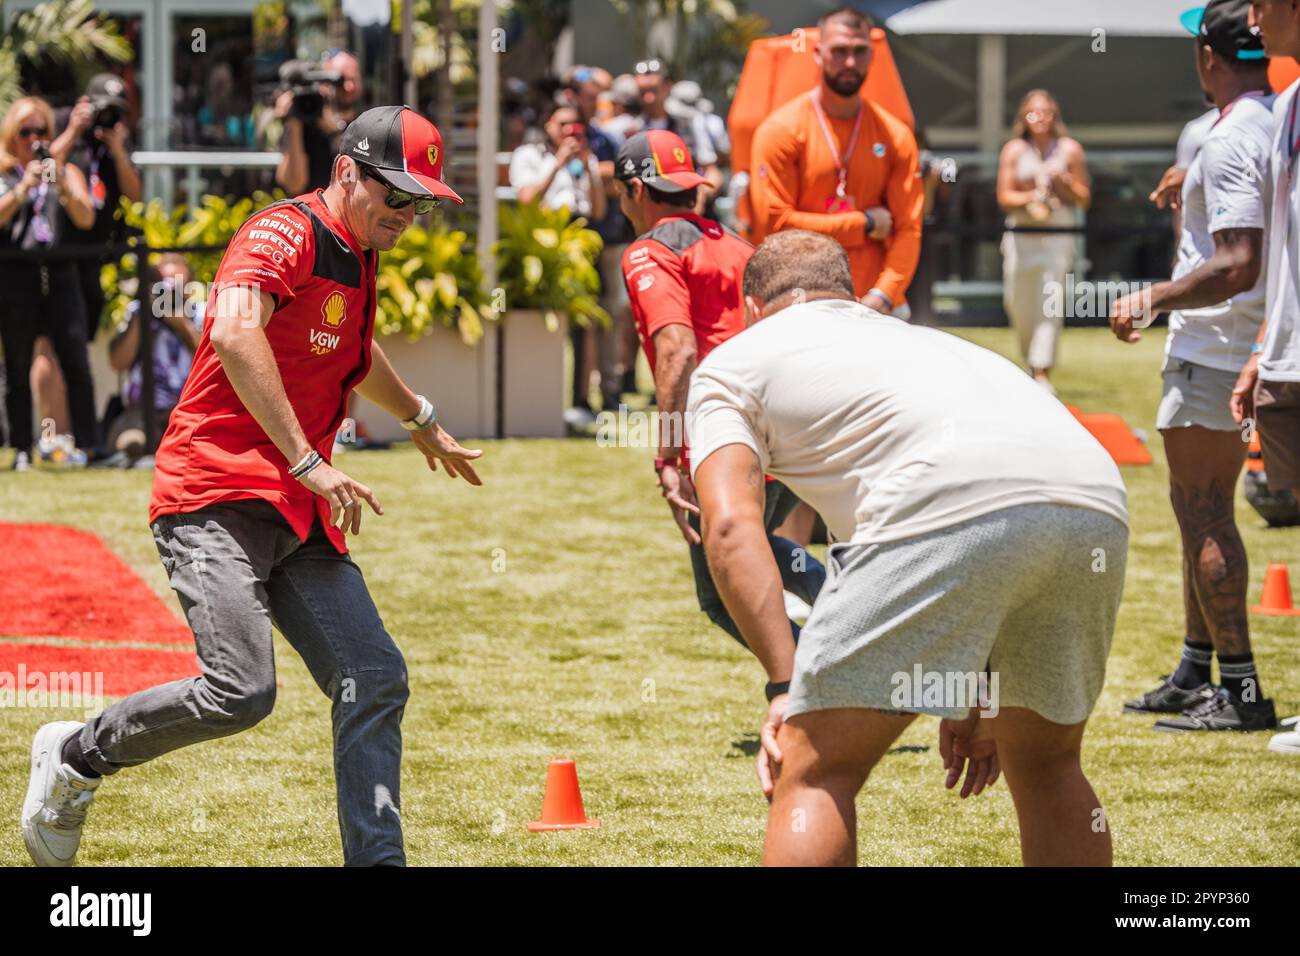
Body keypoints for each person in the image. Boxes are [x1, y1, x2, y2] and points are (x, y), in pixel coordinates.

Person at [21, 106, 484, 867]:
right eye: (397, 195)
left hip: (296, 511)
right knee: (241, 689)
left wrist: (422, 417)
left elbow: (352, 352)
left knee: (374, 677)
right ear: (346, 173)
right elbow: (236, 331)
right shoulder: (282, 231)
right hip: (212, 496)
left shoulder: (360, 249)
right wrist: (308, 459)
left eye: (422, 200)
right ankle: (77, 754)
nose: (410, 214)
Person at [688, 229, 1129, 866]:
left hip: (948, 497)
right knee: (1049, 764)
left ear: (750, 308)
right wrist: (976, 687)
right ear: (850, 296)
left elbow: (728, 528)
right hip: (1093, 494)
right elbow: (1003, 507)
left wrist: (786, 685)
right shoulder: (925, 341)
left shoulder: (732, 363)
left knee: (814, 769)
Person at [1110, 0, 1277, 733]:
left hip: (1217, 344)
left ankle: (1239, 692)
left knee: (1203, 509)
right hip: (1251, 340)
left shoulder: (1233, 137)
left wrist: (1153, 298)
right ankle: (1194, 670)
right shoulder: (1278, 119)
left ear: (1208, 57)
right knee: (1198, 508)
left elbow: (1237, 263)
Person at [615, 131, 825, 652]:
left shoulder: (649, 252)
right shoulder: (741, 246)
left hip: (723, 443)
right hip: (785, 437)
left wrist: (667, 455)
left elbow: (678, 351)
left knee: (719, 591)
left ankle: (818, 680)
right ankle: (834, 595)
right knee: (749, 546)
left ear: (636, 191)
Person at [747, 7, 924, 314]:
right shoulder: (781, 130)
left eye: (860, 51)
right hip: (799, 298)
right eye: (840, 51)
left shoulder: (895, 134)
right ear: (817, 54)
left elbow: (909, 228)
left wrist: (883, 295)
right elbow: (776, 225)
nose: (850, 62)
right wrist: (864, 223)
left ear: (872, 55)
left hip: (875, 302)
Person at [1239, 0, 1300, 756]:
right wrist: (1266, 344)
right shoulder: (1287, 103)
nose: (1252, 20)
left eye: (1260, 2)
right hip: (1288, 355)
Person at [0, 95, 97, 472]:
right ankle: (22, 446)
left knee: (76, 361)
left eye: (41, 131)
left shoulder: (64, 169)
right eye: (26, 131)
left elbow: (85, 218)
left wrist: (60, 185)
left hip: (60, 273)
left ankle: (92, 445)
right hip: (16, 275)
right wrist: (25, 186)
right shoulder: (6, 174)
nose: (33, 139)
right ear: (12, 134)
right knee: (18, 364)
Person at [997, 89, 1091, 391]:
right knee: (1018, 301)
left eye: (1045, 112)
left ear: (1054, 115)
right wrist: (1030, 198)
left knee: (1049, 302)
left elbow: (1084, 199)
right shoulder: (1014, 149)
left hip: (1056, 236)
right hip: (1022, 235)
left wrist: (1064, 183)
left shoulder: (1069, 150)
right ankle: (1029, 359)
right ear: (1024, 116)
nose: (1039, 119)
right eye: (1033, 112)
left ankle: (1041, 370)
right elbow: (1004, 196)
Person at [51, 73, 143, 342]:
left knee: (86, 334)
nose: (107, 116)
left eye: (114, 110)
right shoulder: (63, 124)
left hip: (97, 254)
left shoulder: (118, 141)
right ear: (84, 104)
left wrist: (118, 152)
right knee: (63, 336)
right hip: (60, 251)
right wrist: (73, 130)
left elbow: (135, 195)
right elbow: (45, 166)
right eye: (102, 108)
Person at [104, 253, 203, 460]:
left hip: (190, 411)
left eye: (175, 287)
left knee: (198, 445)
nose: (168, 294)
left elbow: (212, 360)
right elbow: (118, 363)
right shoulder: (137, 312)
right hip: (140, 412)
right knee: (131, 441)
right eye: (163, 287)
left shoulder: (201, 313)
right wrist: (142, 317)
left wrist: (181, 324)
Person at [275, 51, 364, 195]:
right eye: (341, 81)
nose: (349, 87)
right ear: (324, 83)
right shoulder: (304, 122)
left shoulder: (365, 125)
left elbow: (356, 183)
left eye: (354, 80)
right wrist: (294, 123)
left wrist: (334, 131)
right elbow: (294, 185)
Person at [633, 60, 723, 203]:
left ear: (667, 87)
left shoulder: (689, 124)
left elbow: (711, 171)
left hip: (685, 205)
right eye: (642, 92)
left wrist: (702, 194)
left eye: (654, 90)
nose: (648, 98)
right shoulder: (633, 130)